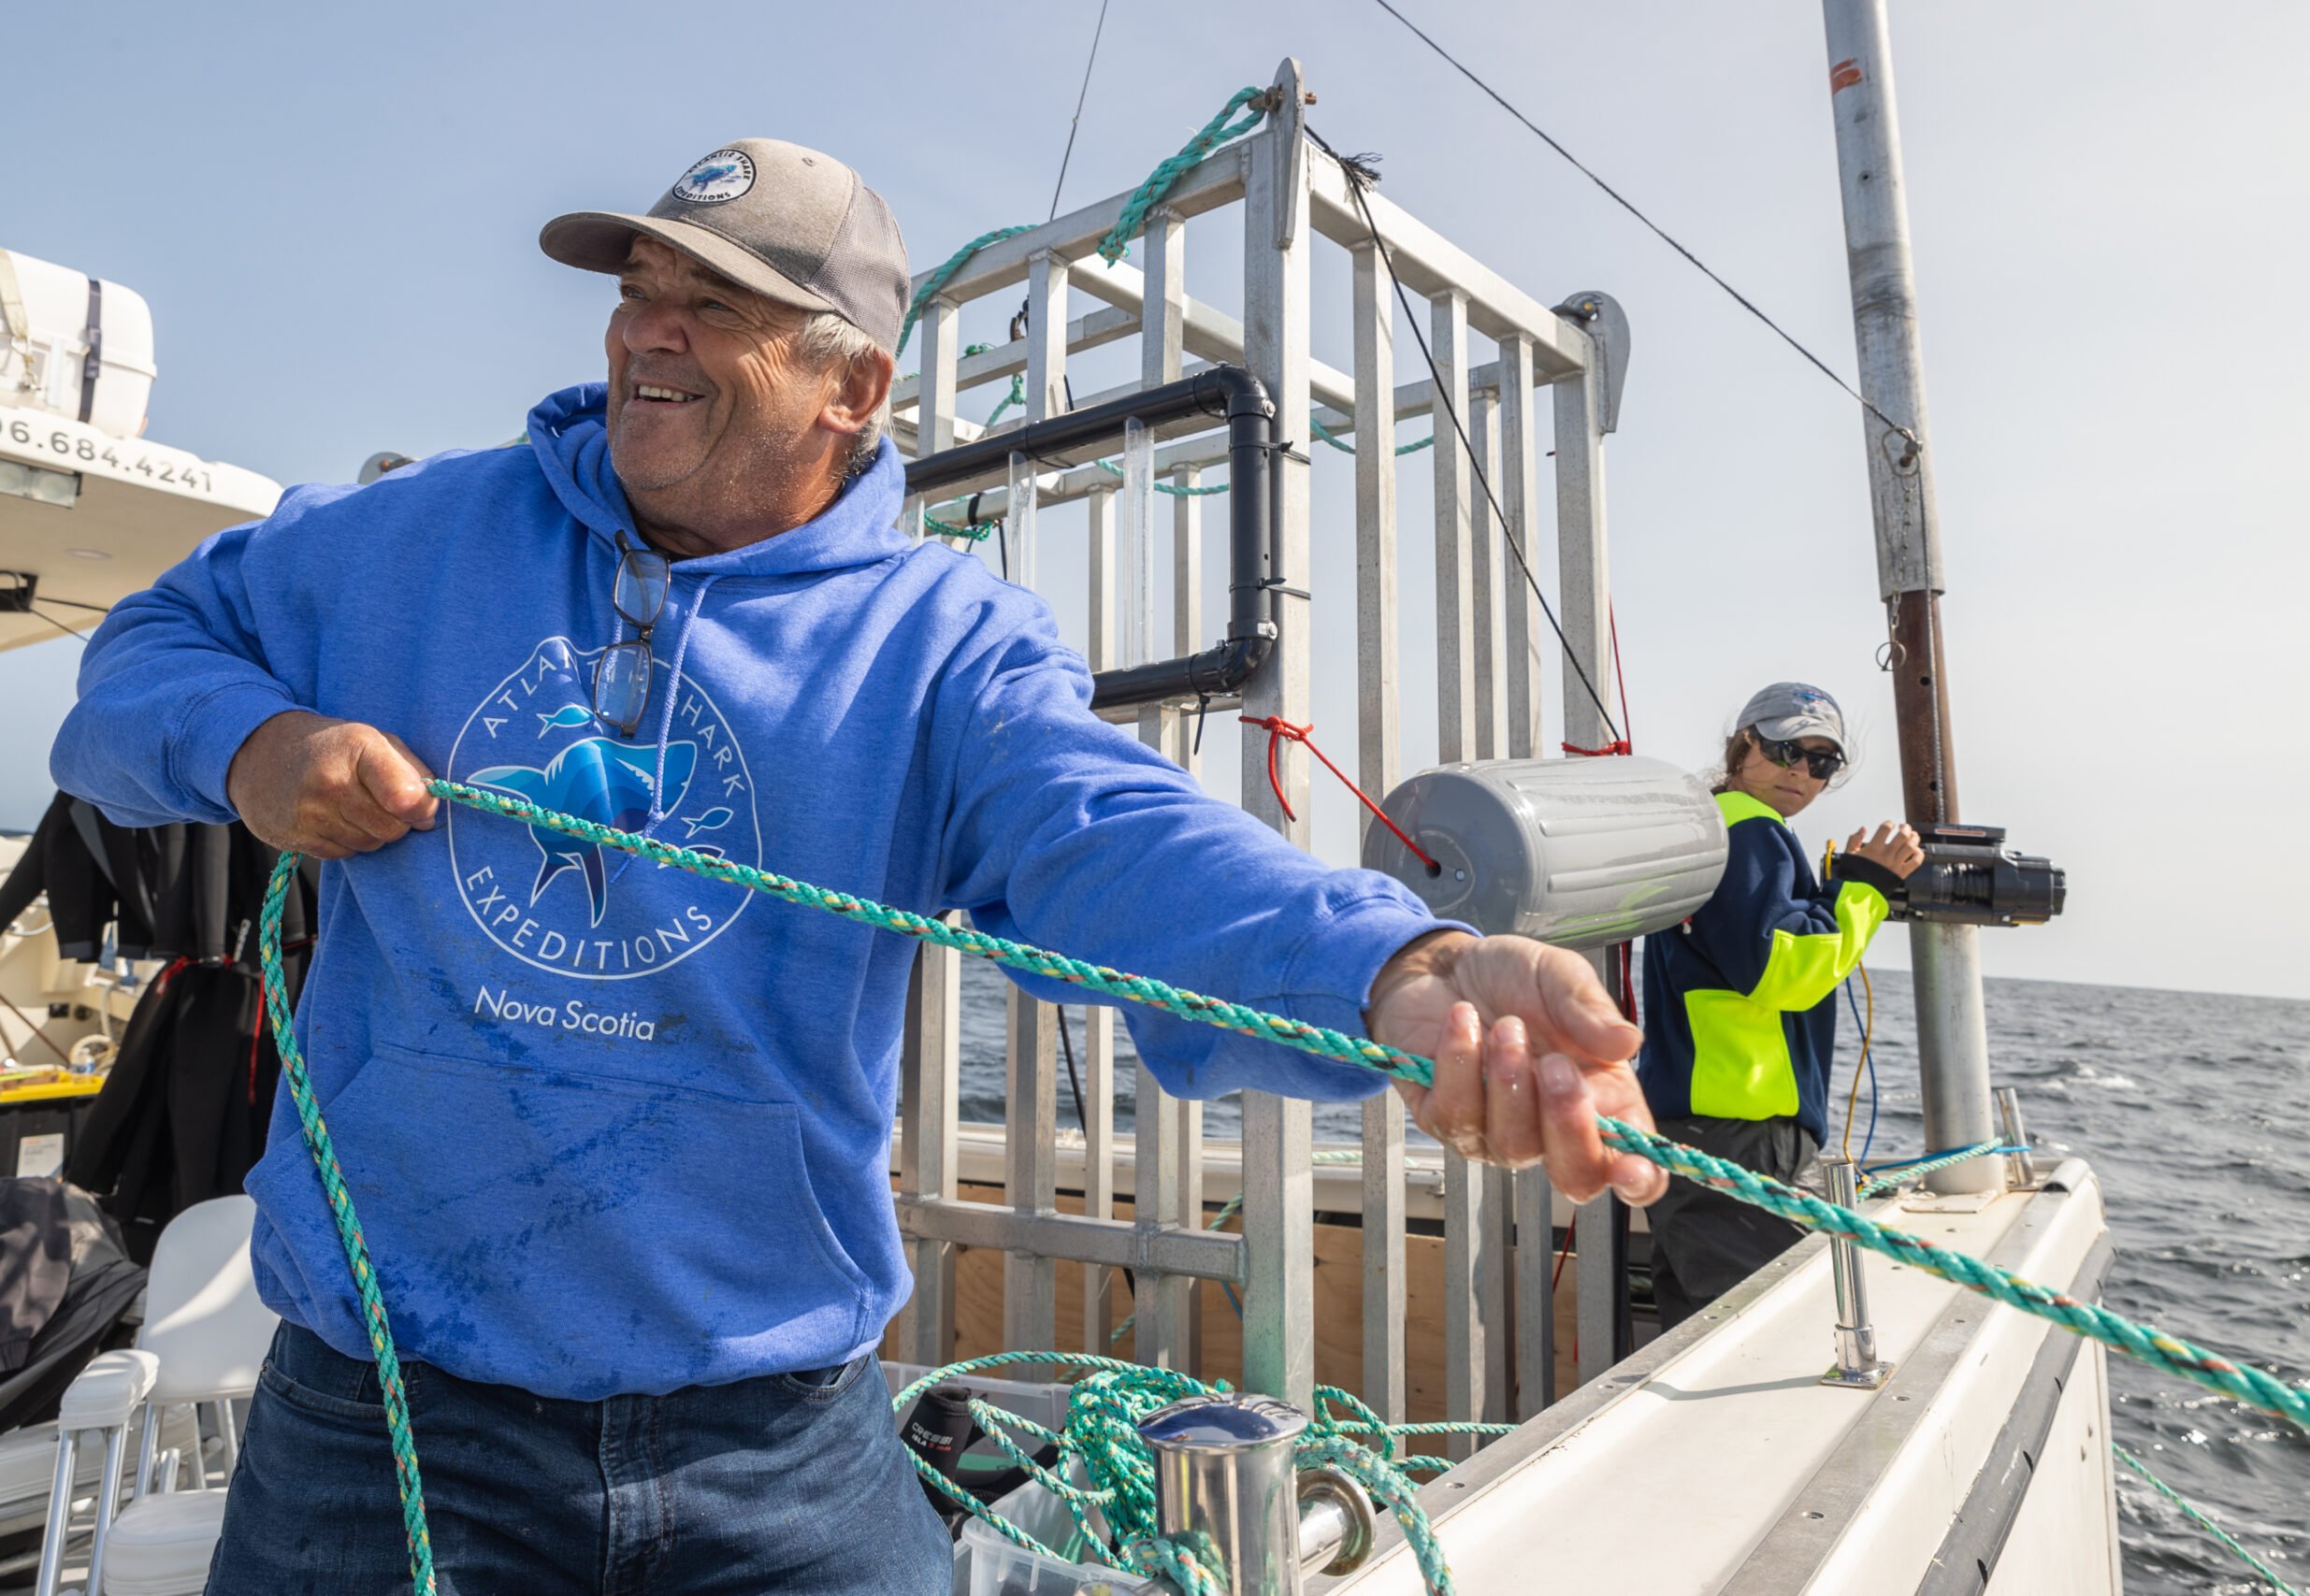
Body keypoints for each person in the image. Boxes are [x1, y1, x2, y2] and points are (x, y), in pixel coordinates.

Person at [51, 138, 1668, 1593]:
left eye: (716, 307)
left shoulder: (946, 645)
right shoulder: (392, 542)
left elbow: (1108, 843)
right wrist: (251, 748)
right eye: (640, 292)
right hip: (382, 1415)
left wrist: (1400, 969)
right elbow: (134, 663)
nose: (646, 333)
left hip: (773, 1446)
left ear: (853, 389)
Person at [1636, 683, 1922, 1329]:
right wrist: (1865, 891)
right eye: (1790, 750)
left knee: (1696, 1335)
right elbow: (1780, 968)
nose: (1803, 772)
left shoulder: (1715, 826)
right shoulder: (1749, 827)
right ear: (1744, 745)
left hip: (1701, 1126)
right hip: (1738, 1126)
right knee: (1757, 1333)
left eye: (1823, 762)